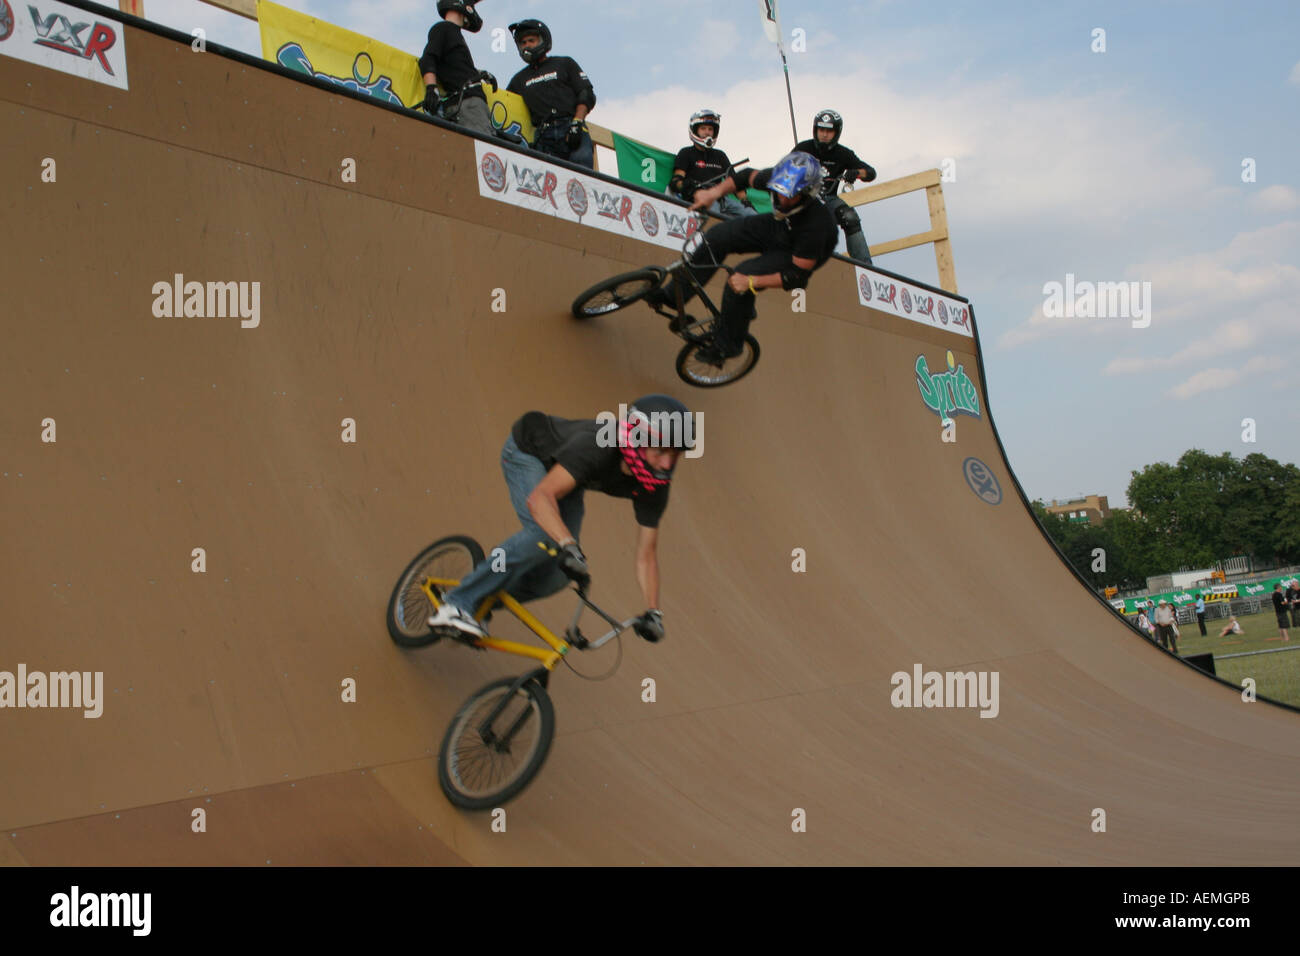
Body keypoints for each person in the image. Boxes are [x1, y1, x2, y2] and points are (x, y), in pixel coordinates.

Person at [426, 395, 694, 643]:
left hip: (568, 480)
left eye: (675, 455)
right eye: (661, 451)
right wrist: (567, 543)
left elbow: (647, 555)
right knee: (545, 538)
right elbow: (539, 499)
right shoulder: (597, 445)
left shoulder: (655, 484)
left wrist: (653, 611)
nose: (667, 465)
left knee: (558, 576)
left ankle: (480, 602)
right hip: (528, 454)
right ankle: (457, 603)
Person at [649, 151, 838, 364]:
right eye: (779, 191)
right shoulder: (776, 178)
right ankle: (675, 296)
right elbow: (743, 176)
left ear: (806, 193)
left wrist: (751, 282)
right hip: (778, 226)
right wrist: (712, 193)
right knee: (716, 236)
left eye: (789, 195)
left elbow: (796, 277)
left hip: (793, 252)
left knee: (739, 280)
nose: (782, 198)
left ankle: (728, 345)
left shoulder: (817, 228)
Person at [506, 20, 596, 168]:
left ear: (543, 40)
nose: (526, 45)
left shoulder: (564, 63)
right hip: (543, 136)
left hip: (571, 127)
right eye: (522, 43)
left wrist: (577, 122)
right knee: (549, 183)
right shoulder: (518, 80)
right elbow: (506, 104)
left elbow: (586, 93)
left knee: (581, 178)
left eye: (531, 41)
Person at [794, 109, 877, 264]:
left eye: (829, 131)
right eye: (821, 130)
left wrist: (856, 173)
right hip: (803, 198)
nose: (824, 134)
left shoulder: (843, 154)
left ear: (836, 132)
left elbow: (871, 173)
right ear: (815, 130)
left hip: (829, 198)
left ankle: (865, 267)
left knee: (849, 216)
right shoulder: (803, 148)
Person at [418, 1, 495, 137]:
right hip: (468, 103)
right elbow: (428, 58)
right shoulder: (443, 28)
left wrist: (481, 74)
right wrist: (431, 88)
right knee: (482, 147)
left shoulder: (452, 32)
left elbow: (457, 66)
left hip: (467, 103)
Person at [669, 109, 754, 219]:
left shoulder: (720, 155)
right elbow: (676, 180)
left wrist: (745, 201)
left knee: (752, 216)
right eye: (703, 128)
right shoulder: (686, 153)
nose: (707, 132)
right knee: (714, 217)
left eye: (710, 129)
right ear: (694, 130)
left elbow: (735, 181)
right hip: (700, 198)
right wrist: (690, 189)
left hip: (722, 199)